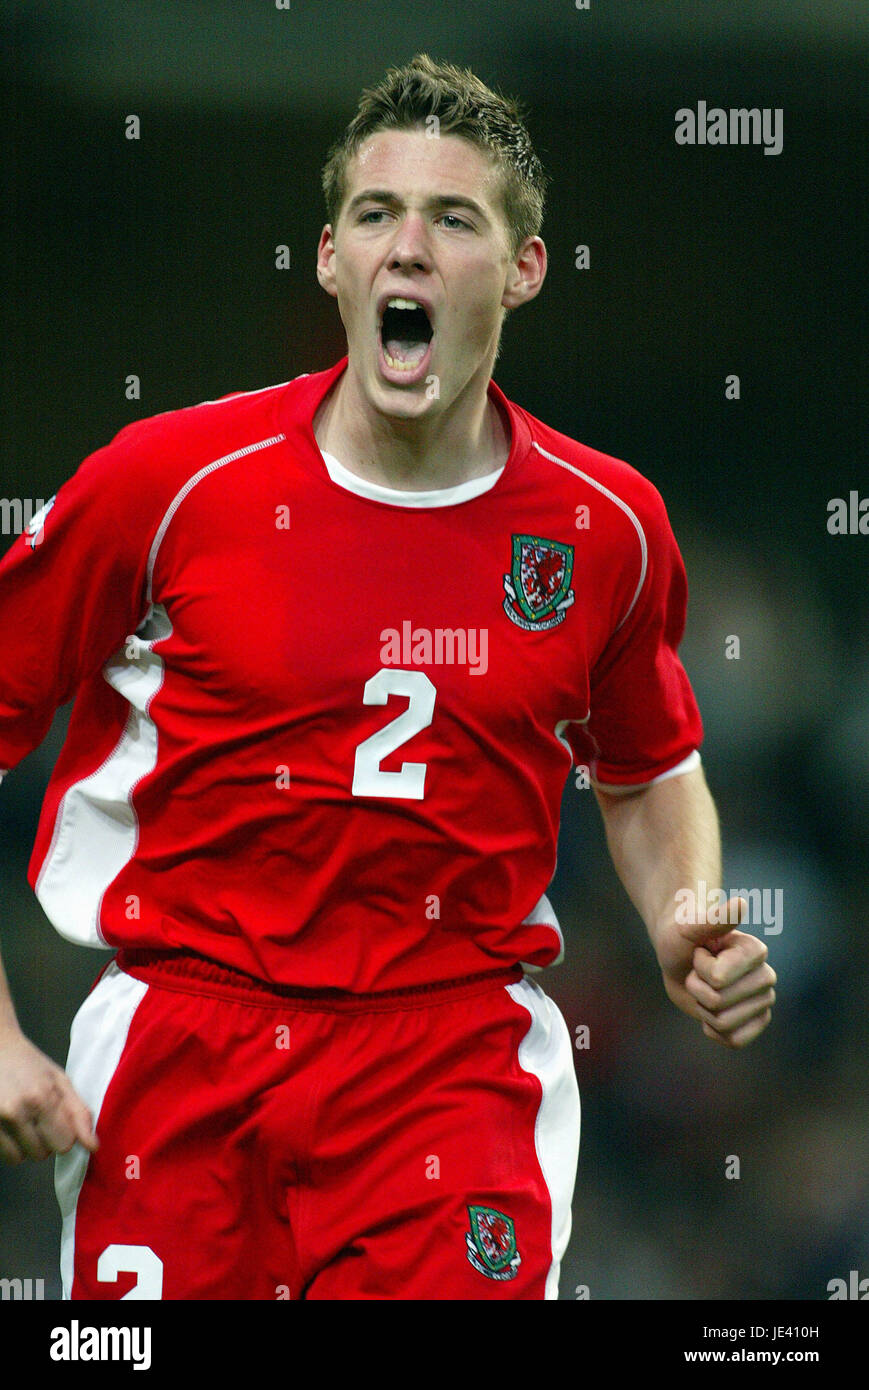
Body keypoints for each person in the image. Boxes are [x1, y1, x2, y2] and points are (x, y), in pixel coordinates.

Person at [0, 54, 776, 1301]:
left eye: (452, 219)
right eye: (376, 214)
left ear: (523, 269)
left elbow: (645, 767)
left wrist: (684, 912)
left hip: (453, 1065)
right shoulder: (168, 483)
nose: (406, 247)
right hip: (182, 1048)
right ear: (330, 259)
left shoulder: (605, 526)